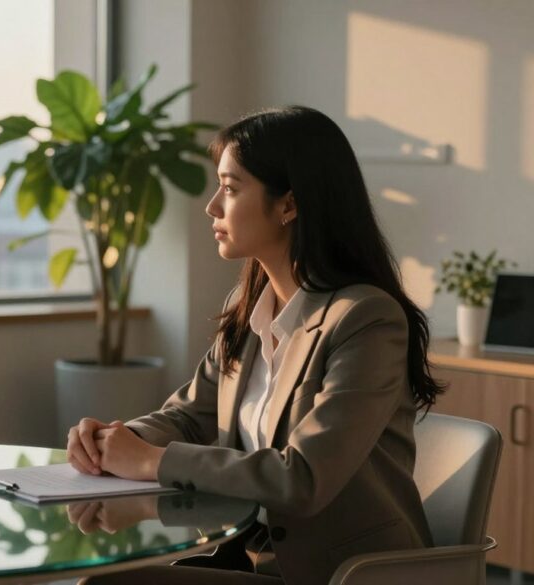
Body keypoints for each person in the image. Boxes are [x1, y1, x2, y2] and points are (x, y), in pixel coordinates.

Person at [67, 106, 442, 585]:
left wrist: (148, 460)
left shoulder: (366, 319)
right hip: (250, 559)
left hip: (339, 574)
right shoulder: (247, 310)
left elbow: (303, 477)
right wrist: (115, 439)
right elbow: (189, 416)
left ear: (288, 205)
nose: (212, 207)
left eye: (230, 188)